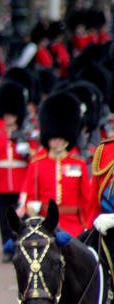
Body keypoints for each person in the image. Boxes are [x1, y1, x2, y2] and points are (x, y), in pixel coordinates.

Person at [17, 92, 96, 237]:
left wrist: (88, 226)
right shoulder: (37, 164)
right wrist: (29, 208)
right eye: (53, 138)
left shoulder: (78, 164)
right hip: (45, 224)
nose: (57, 142)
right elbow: (29, 193)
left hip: (74, 226)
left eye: (60, 138)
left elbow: (86, 199)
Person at [0, 81, 32, 261]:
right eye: (6, 115)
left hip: (21, 180)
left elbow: (34, 157)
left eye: (11, 115)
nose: (8, 118)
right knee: (5, 219)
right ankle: (7, 248)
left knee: (23, 218)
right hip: (2, 181)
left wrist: (28, 150)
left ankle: (23, 246)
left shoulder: (25, 134)